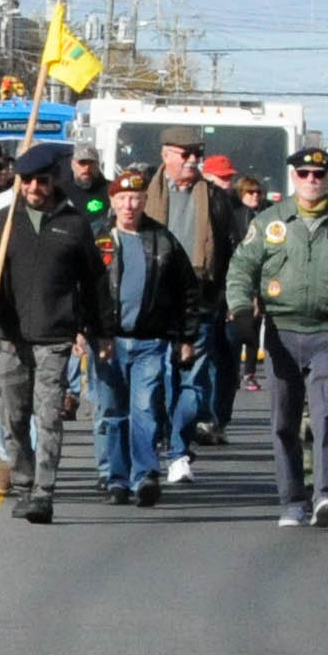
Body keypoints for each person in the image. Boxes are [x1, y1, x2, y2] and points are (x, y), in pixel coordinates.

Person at [231, 147, 328, 527]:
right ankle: (292, 500)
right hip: (282, 330)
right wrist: (240, 310)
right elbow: (241, 268)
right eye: (304, 174)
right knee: (284, 422)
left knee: (326, 413)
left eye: (319, 174)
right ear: (294, 177)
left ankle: (326, 495)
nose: (312, 180)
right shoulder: (271, 222)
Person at [0, 143, 112, 524]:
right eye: (27, 181)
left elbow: (94, 282)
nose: (34, 188)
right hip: (10, 334)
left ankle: (43, 490)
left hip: (54, 335)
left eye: (41, 181)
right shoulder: (2, 221)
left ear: (54, 181)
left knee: (48, 413)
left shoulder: (73, 224)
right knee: (12, 413)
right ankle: (23, 481)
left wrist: (100, 329)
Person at [122, 127, 243, 451]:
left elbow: (234, 249)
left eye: (197, 155)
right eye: (185, 154)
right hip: (153, 302)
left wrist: (231, 296)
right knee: (158, 374)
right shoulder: (142, 196)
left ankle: (180, 441)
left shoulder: (215, 198)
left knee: (191, 377)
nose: (192, 160)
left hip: (200, 300)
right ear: (166, 155)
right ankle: (160, 431)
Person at [97, 179, 202, 506]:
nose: (128, 206)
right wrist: (84, 330)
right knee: (113, 412)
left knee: (145, 409)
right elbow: (79, 287)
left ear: (144, 201)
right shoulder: (98, 238)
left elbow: (187, 290)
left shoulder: (162, 239)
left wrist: (186, 336)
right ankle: (117, 479)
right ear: (112, 202)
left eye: (135, 198)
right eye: (122, 198)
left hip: (150, 341)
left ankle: (144, 476)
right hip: (108, 340)